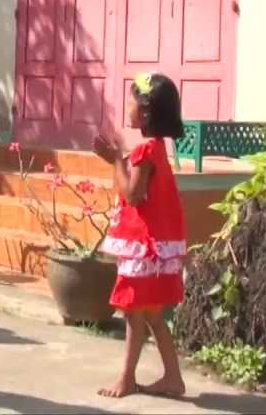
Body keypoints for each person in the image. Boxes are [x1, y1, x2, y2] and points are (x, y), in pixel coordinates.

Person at [92, 72, 187, 399]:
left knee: (135, 313)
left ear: (145, 112)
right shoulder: (155, 147)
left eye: (131, 100)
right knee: (152, 316)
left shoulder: (145, 151)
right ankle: (172, 379)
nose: (126, 106)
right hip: (155, 244)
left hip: (145, 245)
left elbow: (132, 194)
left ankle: (127, 378)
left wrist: (115, 158)